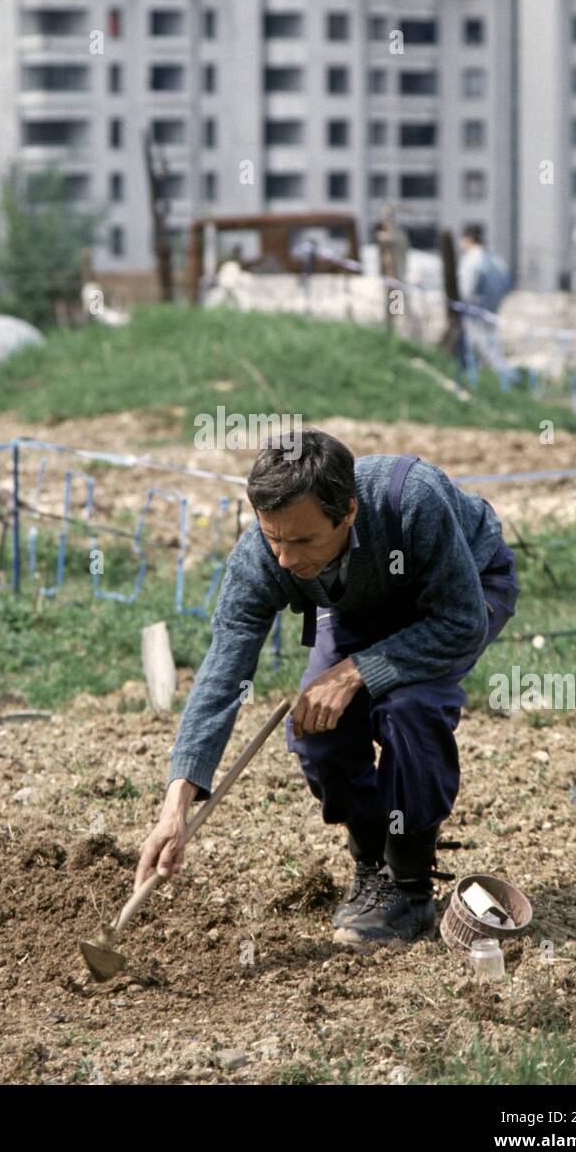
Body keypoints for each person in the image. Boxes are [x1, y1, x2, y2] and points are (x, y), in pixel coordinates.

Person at [135, 430, 520, 948]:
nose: (287, 559)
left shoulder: (413, 500)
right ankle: (371, 867)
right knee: (317, 725)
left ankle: (408, 884)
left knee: (409, 708)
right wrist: (175, 807)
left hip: (459, 594)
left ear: (349, 511)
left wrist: (355, 670)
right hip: (356, 602)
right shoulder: (264, 556)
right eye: (275, 537)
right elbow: (223, 673)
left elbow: (461, 624)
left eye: (303, 540)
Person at [456, 229, 515, 385]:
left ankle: (507, 379)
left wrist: (461, 304)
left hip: (475, 310)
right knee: (489, 345)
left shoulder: (472, 260)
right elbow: (507, 282)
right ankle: (489, 378)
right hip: (492, 309)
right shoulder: (494, 259)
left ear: (468, 239)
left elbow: (466, 289)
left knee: (481, 346)